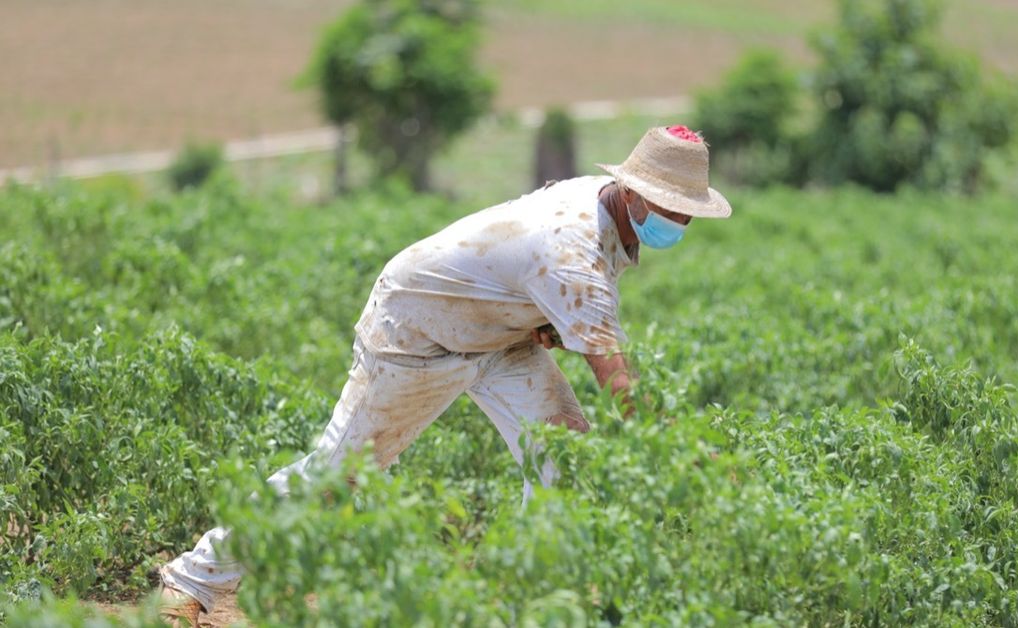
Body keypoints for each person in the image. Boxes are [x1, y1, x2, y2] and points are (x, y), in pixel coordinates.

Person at [158, 124, 732, 625]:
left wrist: (546, 323)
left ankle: (518, 601)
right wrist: (683, 454)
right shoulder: (572, 249)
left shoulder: (601, 205)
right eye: (669, 206)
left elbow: (548, 296)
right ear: (631, 191)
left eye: (687, 210)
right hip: (417, 330)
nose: (679, 219)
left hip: (494, 336)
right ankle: (192, 580)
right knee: (339, 475)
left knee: (564, 451)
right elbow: (619, 387)